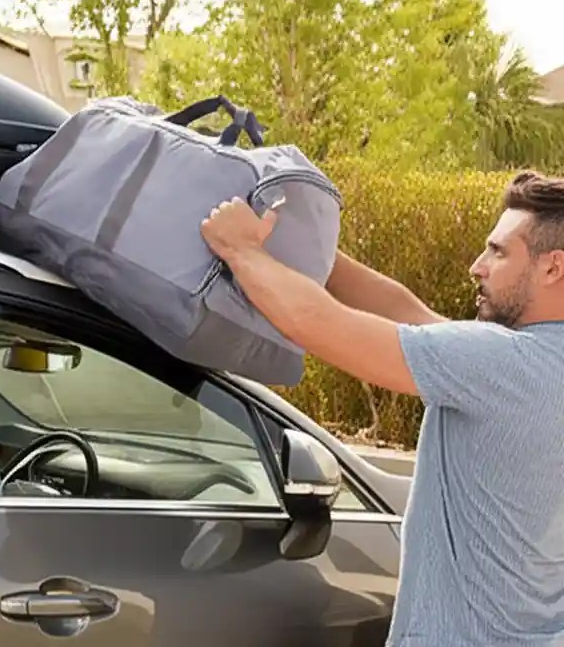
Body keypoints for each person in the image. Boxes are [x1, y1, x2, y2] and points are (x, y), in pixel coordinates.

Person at [200, 170, 564, 647]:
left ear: (554, 267)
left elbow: (322, 325)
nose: (477, 265)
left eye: (497, 251)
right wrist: (301, 247)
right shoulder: (522, 366)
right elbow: (410, 315)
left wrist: (241, 251)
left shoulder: (503, 364)